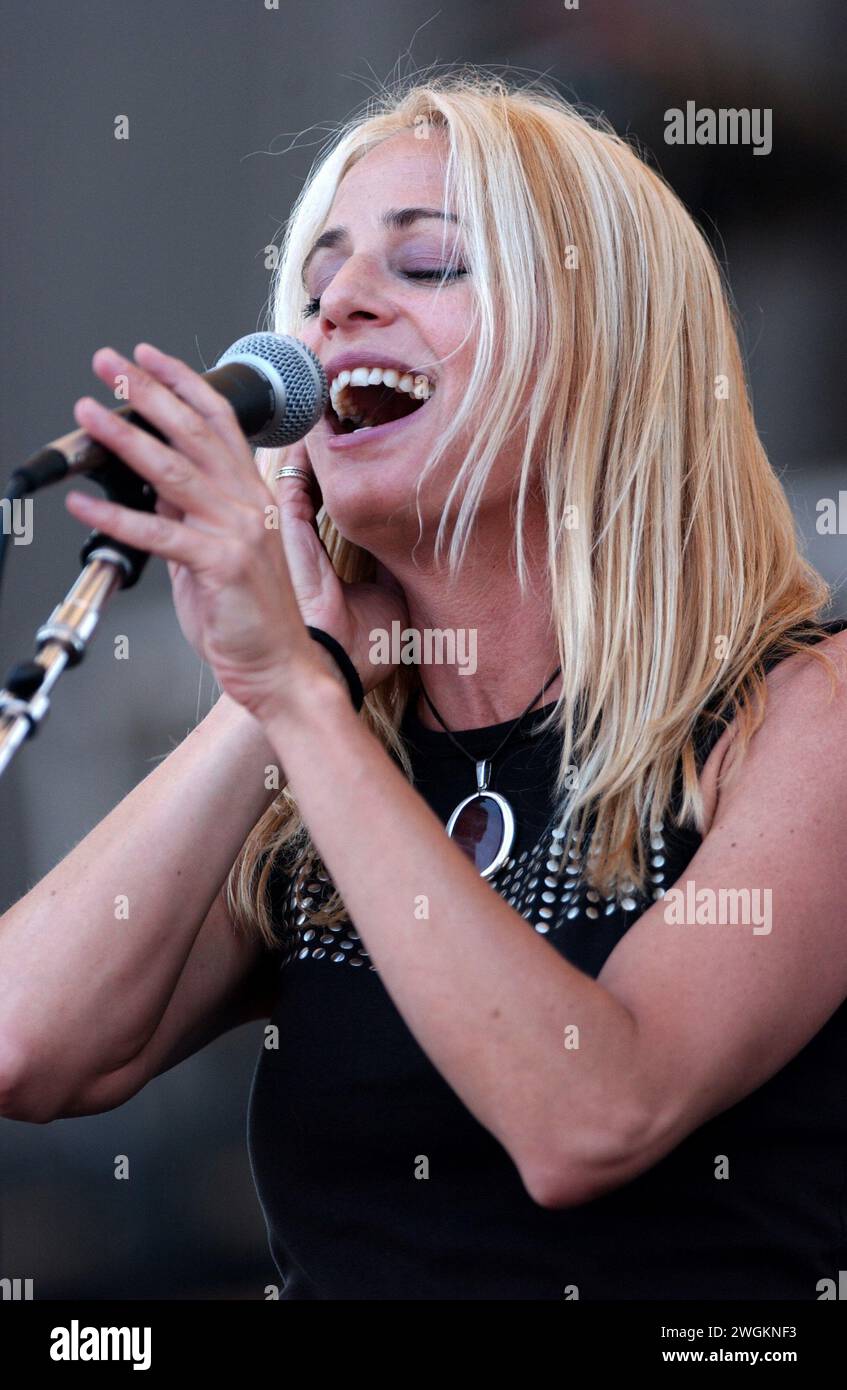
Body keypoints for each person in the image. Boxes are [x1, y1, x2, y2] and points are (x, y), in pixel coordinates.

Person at [1, 72, 845, 1301]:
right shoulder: (331, 744)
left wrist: (300, 702)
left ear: (608, 350)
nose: (335, 305)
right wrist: (274, 690)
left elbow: (588, 1118)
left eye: (431, 263)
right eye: (318, 277)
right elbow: (27, 1046)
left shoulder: (802, 717)